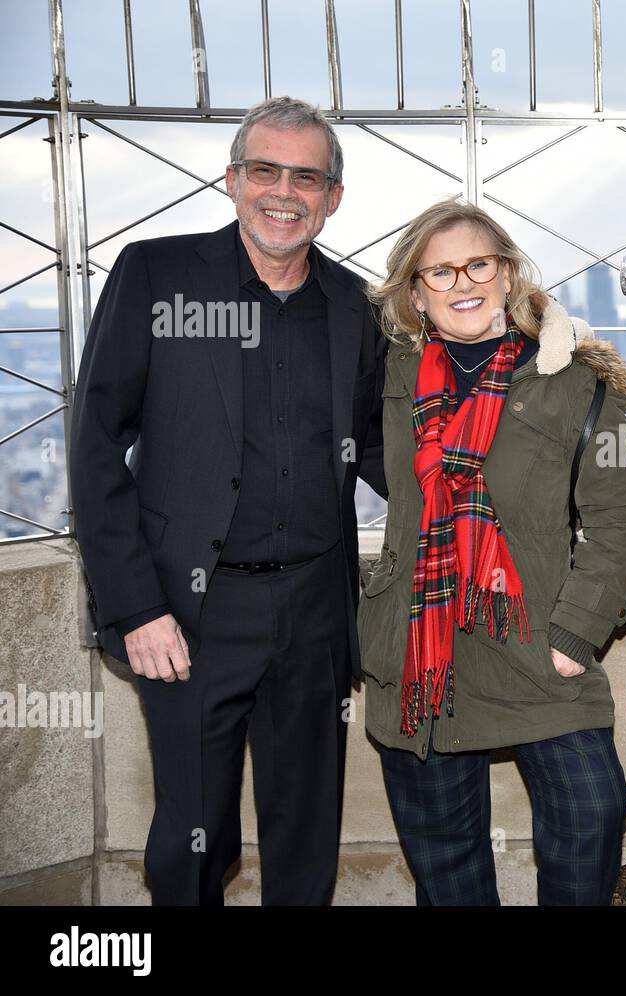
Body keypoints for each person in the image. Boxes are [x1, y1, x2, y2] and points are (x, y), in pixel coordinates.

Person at [69, 97, 387, 904]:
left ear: (333, 196)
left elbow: (385, 450)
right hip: (187, 612)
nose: (284, 191)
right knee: (191, 835)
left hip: (316, 608)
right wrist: (136, 607)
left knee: (306, 828)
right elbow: (94, 444)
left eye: (306, 176)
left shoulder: (357, 306)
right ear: (233, 180)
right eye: (264, 170)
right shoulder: (158, 273)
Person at [359, 197, 626, 906]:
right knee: (448, 866)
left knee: (592, 808)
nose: (462, 283)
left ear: (508, 271)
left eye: (478, 264)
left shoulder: (572, 381)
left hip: (530, 636)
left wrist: (576, 632)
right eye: (440, 271)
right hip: (420, 645)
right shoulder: (384, 375)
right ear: (414, 291)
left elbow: (618, 517)